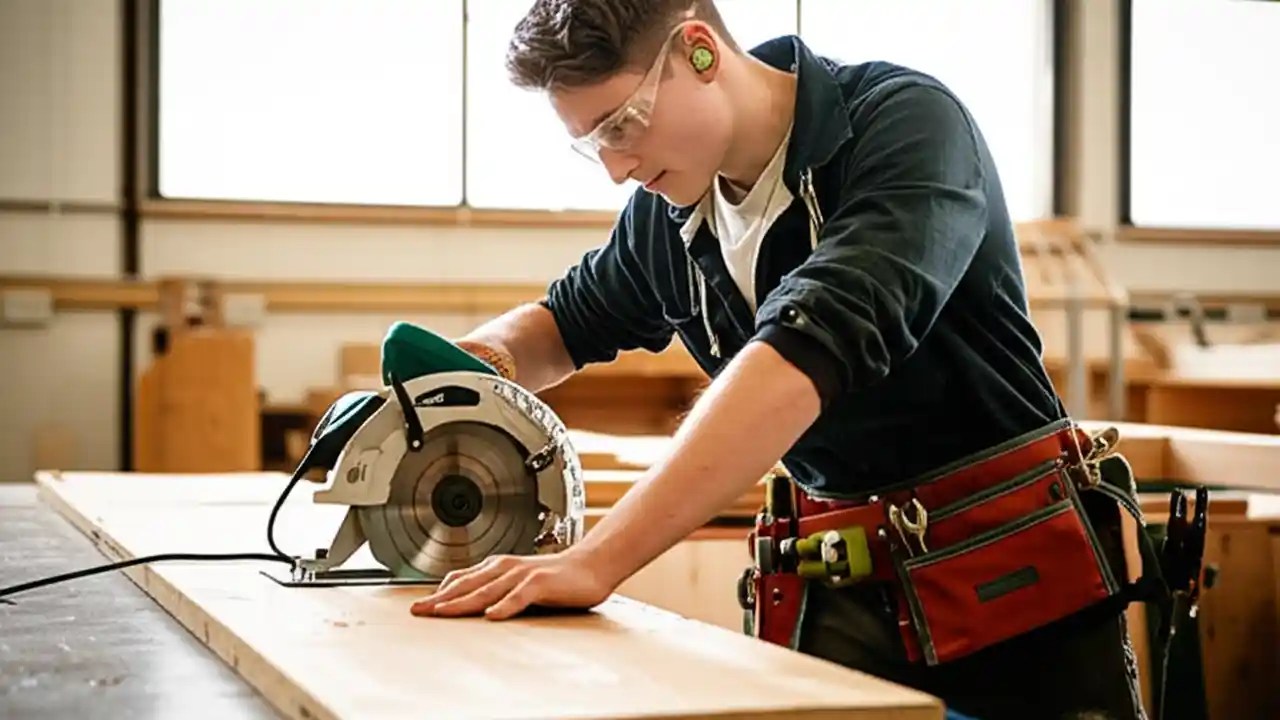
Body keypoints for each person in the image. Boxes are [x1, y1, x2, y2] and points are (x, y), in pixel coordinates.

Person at [409, 2, 1153, 718]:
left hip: (1012, 590)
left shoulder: (903, 125)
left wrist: (597, 558)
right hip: (836, 591)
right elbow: (560, 325)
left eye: (623, 123)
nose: (615, 166)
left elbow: (809, 348)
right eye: (591, 142)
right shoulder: (667, 217)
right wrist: (466, 371)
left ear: (699, 51)